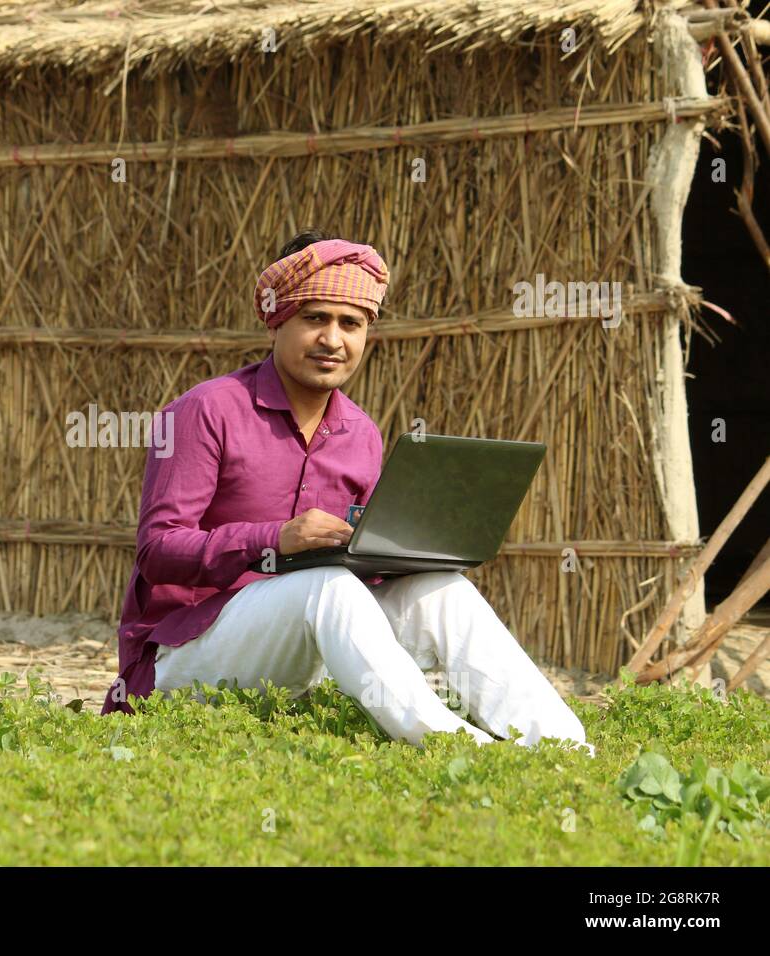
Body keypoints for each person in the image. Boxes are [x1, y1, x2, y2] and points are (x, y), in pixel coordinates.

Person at [100, 229, 595, 757]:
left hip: (300, 657)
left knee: (441, 589)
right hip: (184, 654)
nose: (333, 339)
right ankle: (461, 751)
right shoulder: (206, 410)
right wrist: (277, 537)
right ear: (279, 320)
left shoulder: (361, 432)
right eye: (315, 318)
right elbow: (158, 551)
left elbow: (363, 572)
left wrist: (405, 548)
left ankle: (563, 747)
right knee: (326, 584)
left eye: (351, 323)